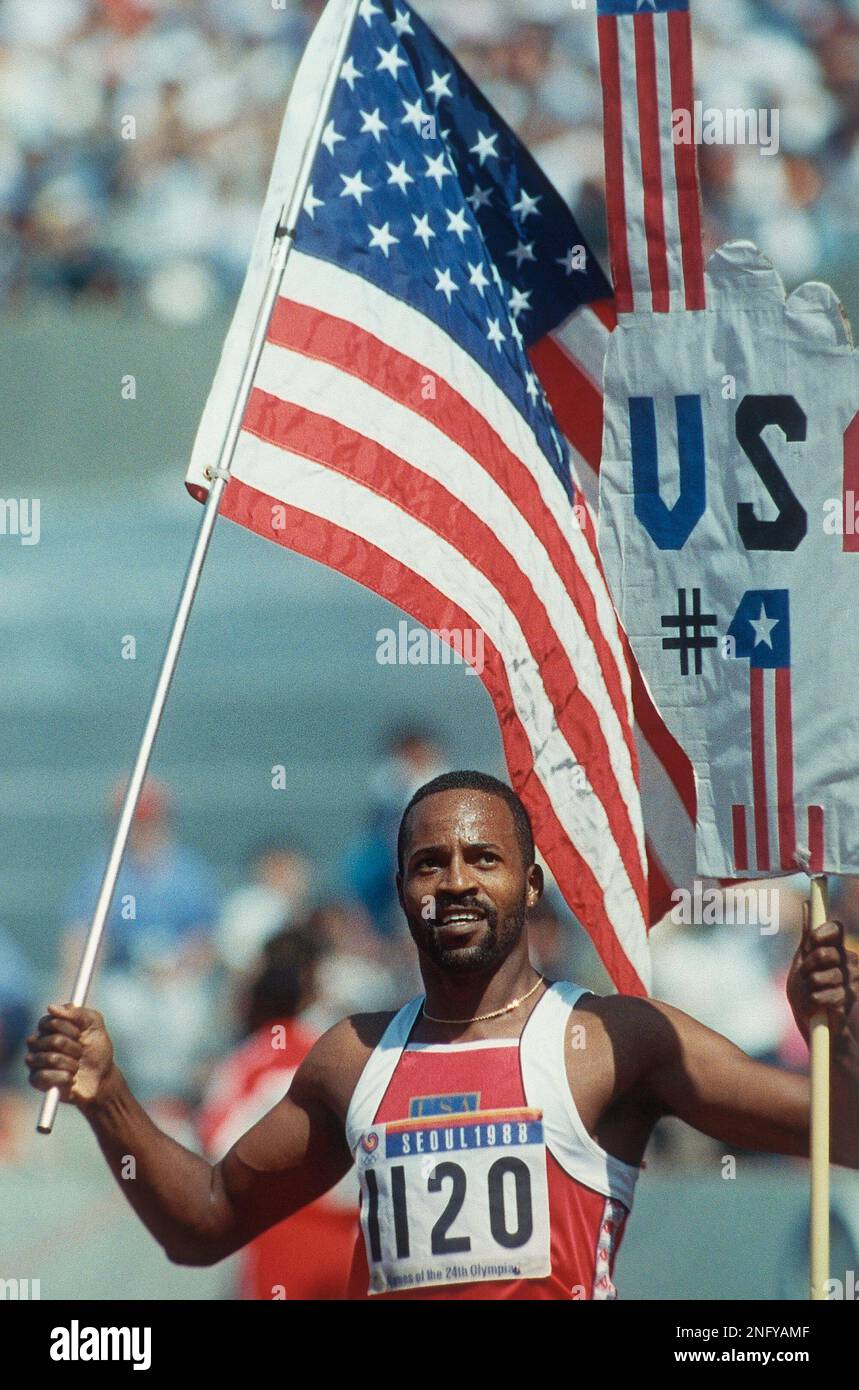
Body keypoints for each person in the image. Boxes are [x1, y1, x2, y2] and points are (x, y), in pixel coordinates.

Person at [27, 772, 859, 1301]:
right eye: (430, 863)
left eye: (481, 858)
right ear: (400, 888)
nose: (455, 880)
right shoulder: (355, 1058)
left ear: (529, 884)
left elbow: (842, 1134)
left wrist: (842, 1034)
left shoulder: (610, 1039)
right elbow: (204, 1225)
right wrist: (109, 1097)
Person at [197, 928, 357, 1300]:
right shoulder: (348, 1053)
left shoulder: (251, 1059)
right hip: (349, 1239)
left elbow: (216, 1144)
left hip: (280, 1238)